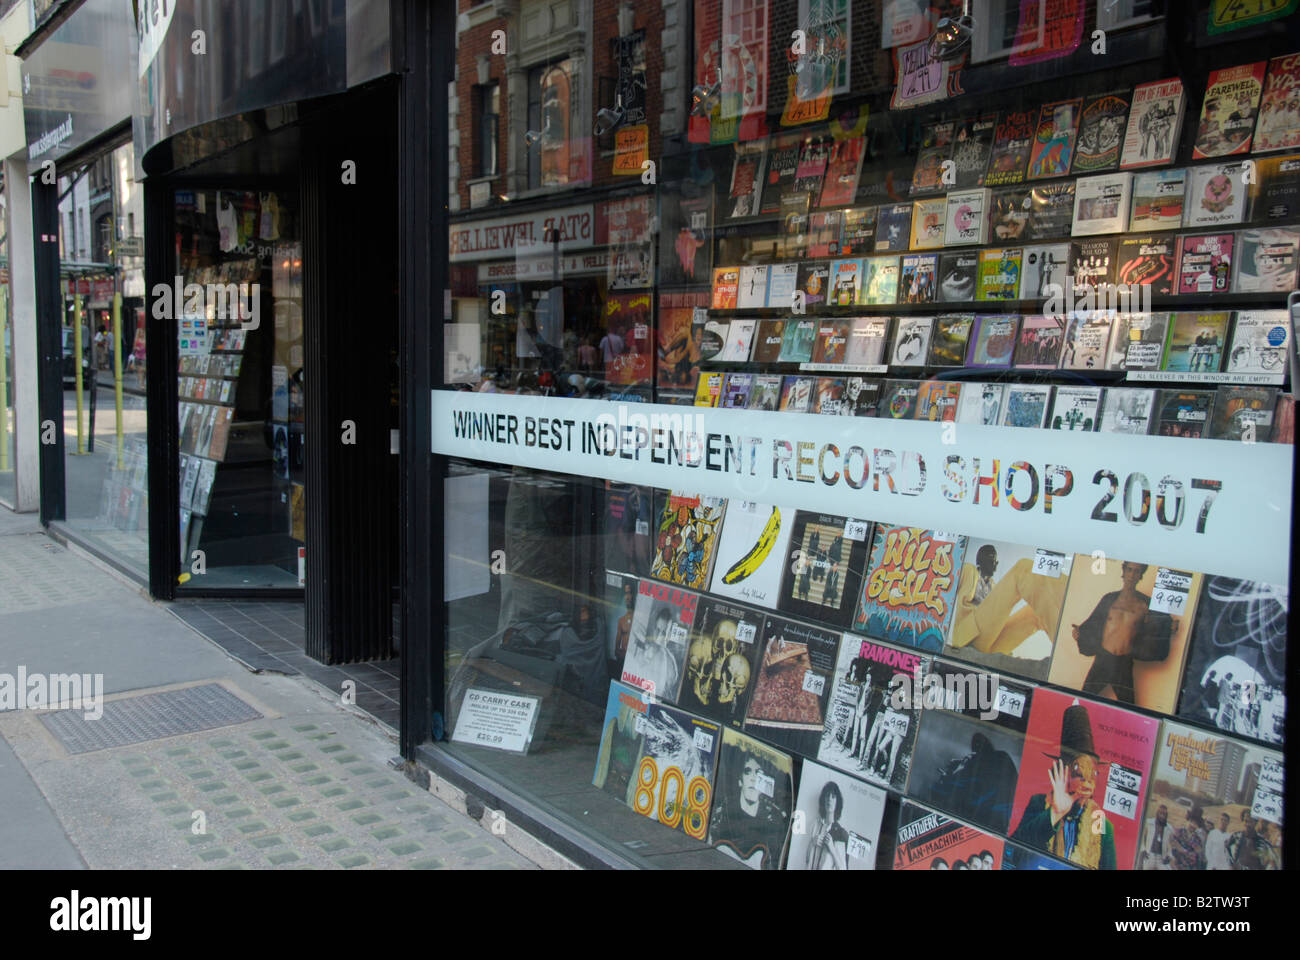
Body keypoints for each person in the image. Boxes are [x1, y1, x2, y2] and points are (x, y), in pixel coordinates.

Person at [1011, 702, 1117, 869]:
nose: (1087, 784)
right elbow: (1013, 852)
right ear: (1064, 772)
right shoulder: (1039, 803)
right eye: (1079, 775)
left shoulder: (1101, 824)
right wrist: (1054, 813)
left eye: (1092, 775)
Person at [1071, 561, 1174, 705]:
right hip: (1103, 659)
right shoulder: (1109, 599)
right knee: (1082, 703)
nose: (1132, 575)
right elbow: (1093, 623)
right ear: (1124, 572)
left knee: (1129, 708)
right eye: (1129, 570)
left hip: (1124, 663)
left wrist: (1170, 627)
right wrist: (1079, 635)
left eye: (1136, 571)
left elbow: (1162, 624)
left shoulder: (1145, 604)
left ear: (1141, 575)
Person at [950, 544, 1066, 656]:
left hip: (990, 644)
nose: (995, 564)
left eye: (996, 561)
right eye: (992, 559)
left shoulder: (993, 585)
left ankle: (1068, 643)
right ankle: (1070, 594)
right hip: (969, 635)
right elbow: (946, 580)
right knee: (1022, 569)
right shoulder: (969, 570)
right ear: (980, 560)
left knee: (1037, 613)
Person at [709, 751, 788, 869]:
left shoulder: (771, 822)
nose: (753, 778)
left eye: (758, 773)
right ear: (740, 780)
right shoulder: (723, 814)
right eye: (747, 772)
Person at [805, 780, 849, 869]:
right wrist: (812, 842)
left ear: (837, 802)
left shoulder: (841, 833)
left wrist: (832, 848)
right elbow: (806, 860)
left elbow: (842, 868)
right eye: (827, 796)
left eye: (833, 797)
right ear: (823, 800)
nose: (829, 799)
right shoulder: (815, 825)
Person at [1139, 803, 1172, 869]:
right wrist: (1143, 850)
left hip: (1161, 858)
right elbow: (1142, 838)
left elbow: (1170, 844)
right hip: (1149, 855)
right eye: (1160, 813)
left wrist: (1169, 855)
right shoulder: (1149, 823)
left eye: (1164, 814)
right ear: (1157, 813)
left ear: (1166, 815)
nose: (1162, 816)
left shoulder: (1169, 828)